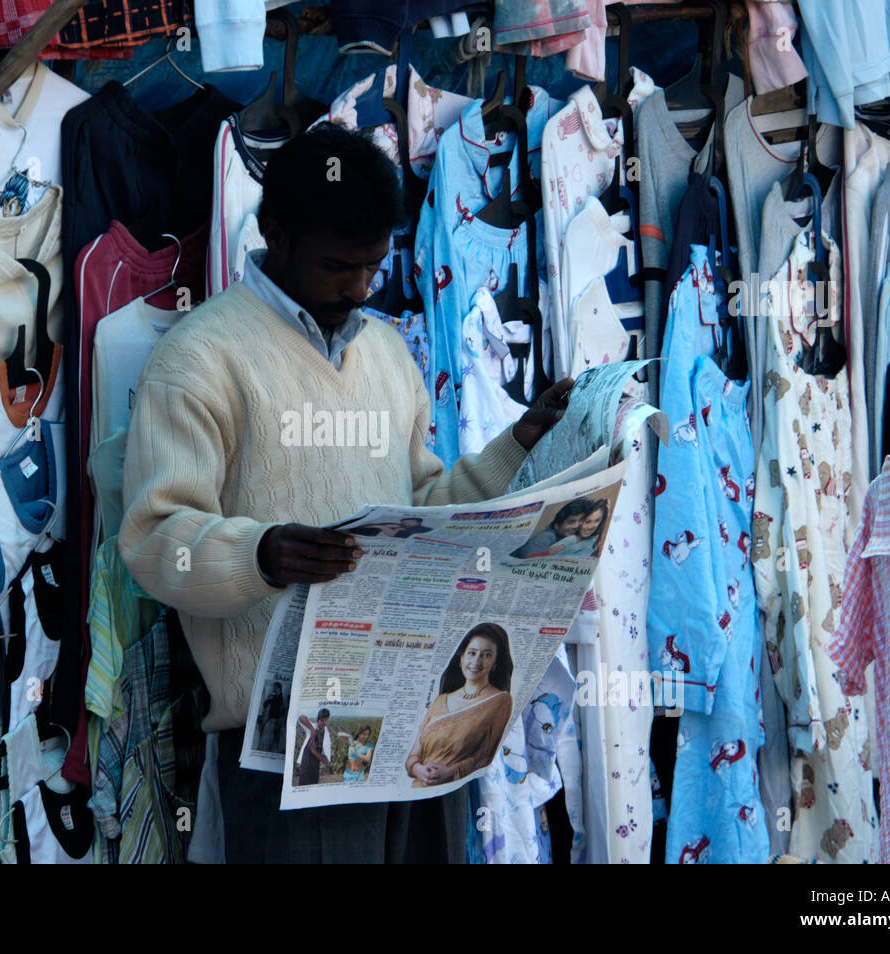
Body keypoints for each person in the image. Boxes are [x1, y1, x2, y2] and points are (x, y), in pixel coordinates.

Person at [119, 122, 573, 863]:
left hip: (415, 727)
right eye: (337, 265)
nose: (358, 286)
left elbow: (426, 503)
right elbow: (152, 542)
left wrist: (516, 447)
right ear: (274, 233)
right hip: (288, 750)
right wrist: (260, 554)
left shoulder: (387, 353)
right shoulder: (200, 360)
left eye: (372, 266)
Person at [405, 623, 514, 787]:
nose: (476, 661)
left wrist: (449, 772)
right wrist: (419, 769)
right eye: (472, 653)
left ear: (495, 663)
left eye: (486, 655)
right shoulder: (441, 700)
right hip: (416, 789)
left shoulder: (499, 701)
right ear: (461, 657)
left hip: (453, 790)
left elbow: (484, 757)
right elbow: (413, 755)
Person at [510, 499, 590, 559]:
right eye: (571, 522)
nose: (576, 526)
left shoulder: (572, 539)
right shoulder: (546, 537)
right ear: (556, 526)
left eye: (581, 521)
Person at [544, 499, 609, 559]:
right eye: (587, 522)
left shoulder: (597, 539)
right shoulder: (571, 539)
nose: (590, 527)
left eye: (597, 521)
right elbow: (549, 554)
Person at [296, 709, 332, 785]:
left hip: (315, 770)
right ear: (318, 720)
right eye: (321, 720)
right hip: (304, 767)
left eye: (326, 720)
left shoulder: (326, 736)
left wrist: (314, 752)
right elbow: (301, 717)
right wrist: (312, 730)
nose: (323, 723)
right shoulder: (312, 727)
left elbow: (326, 760)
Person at [256, 681, 286, 753]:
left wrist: (271, 698)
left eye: (275, 688)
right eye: (274, 688)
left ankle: (266, 749)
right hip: (270, 718)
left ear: (279, 688)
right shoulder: (275, 697)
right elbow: (265, 704)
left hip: (273, 719)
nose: (274, 689)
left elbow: (277, 709)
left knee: (269, 735)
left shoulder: (279, 698)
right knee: (267, 734)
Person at [349, 516, 434, 538]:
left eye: (410, 521)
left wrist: (380, 526)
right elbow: (391, 525)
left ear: (418, 522)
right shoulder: (405, 526)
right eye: (404, 522)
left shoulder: (420, 530)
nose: (406, 523)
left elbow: (392, 533)